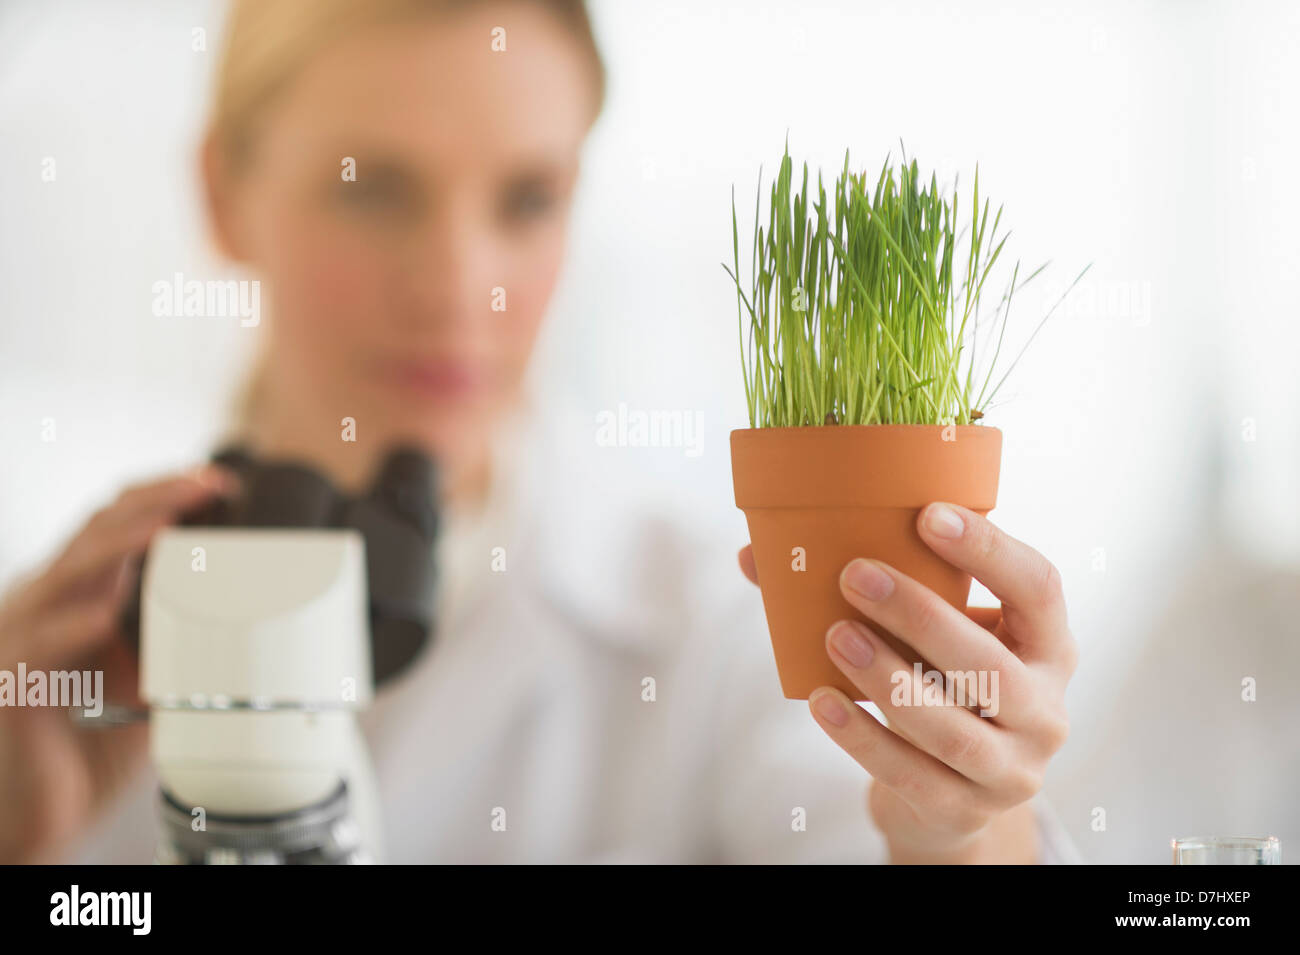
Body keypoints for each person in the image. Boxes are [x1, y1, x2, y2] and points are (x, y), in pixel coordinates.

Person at [0, 0, 1080, 864]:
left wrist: (957, 830)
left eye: (525, 199)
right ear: (223, 193)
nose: (458, 286)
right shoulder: (52, 669)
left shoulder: (721, 624)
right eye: (374, 189)